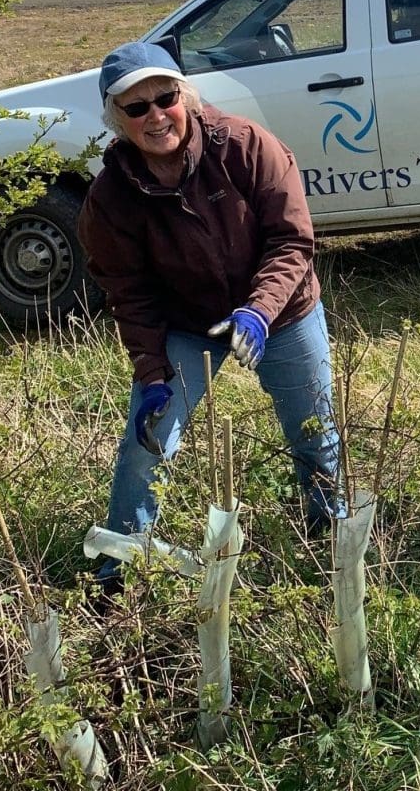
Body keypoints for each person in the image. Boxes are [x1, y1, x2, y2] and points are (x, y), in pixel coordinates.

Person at [78, 41, 344, 587]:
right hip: (188, 324)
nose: (155, 115)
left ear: (186, 96)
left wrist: (259, 311)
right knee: (145, 443)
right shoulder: (110, 199)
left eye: (165, 97)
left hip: (283, 312)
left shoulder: (246, 146)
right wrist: (152, 373)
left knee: (313, 431)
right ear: (117, 120)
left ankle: (333, 544)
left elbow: (292, 240)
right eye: (136, 107)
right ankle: (121, 566)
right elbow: (130, 293)